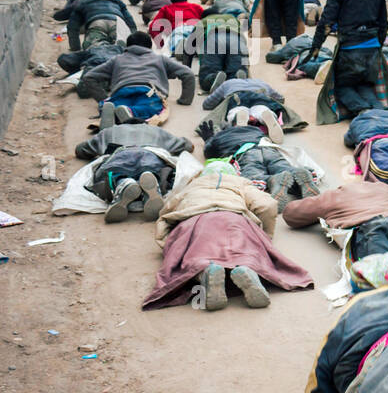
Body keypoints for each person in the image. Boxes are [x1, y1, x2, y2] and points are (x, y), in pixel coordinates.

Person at [146, 160, 312, 310]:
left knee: (195, 256)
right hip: (234, 218)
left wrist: (168, 244)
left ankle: (206, 271)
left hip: (195, 220)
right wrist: (264, 237)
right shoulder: (241, 183)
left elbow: (165, 214)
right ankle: (246, 269)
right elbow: (266, 205)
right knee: (245, 252)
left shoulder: (192, 186)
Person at [283, 180, 388, 291]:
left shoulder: (333, 196)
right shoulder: (384, 189)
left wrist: (316, 210)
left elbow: (291, 214)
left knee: (384, 261)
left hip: (368, 227)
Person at [306, 0, 388, 122]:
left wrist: (316, 47)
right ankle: (380, 110)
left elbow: (326, 23)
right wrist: (376, 45)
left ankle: (362, 110)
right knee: (364, 84)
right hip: (371, 50)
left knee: (342, 87)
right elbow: (383, 24)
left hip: (350, 50)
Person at [75, 121, 193, 223]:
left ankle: (123, 183)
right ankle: (153, 184)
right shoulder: (155, 131)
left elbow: (80, 150)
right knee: (161, 172)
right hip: (149, 156)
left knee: (113, 175)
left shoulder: (109, 131)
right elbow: (188, 146)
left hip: (119, 156)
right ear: (143, 123)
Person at [80, 31, 196, 126]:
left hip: (122, 90)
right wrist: (185, 100)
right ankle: (130, 112)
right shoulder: (160, 59)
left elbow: (89, 77)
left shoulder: (117, 59)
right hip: (148, 92)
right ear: (150, 46)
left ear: (127, 46)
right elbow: (188, 74)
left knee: (116, 103)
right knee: (148, 109)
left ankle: (109, 109)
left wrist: (103, 98)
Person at [201, 122, 318, 211]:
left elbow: (209, 152)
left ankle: (271, 180)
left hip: (246, 154)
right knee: (281, 166)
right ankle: (296, 172)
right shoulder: (253, 129)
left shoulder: (219, 138)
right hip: (268, 148)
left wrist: (209, 139)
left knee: (252, 177)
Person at [55, 0, 135, 52]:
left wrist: (75, 48)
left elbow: (72, 26)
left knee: (95, 52)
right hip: (117, 22)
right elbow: (129, 20)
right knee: (122, 51)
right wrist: (134, 38)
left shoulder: (83, 1)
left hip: (96, 22)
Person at [193, 8, 249, 93]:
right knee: (236, 67)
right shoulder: (231, 18)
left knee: (208, 72)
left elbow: (189, 46)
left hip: (214, 38)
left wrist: (187, 68)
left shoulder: (203, 21)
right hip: (237, 39)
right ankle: (237, 79)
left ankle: (213, 78)